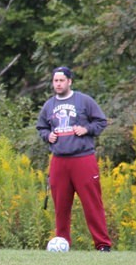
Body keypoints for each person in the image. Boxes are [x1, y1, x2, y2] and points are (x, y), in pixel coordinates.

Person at [36, 66, 113, 251]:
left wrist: (87, 129)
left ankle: (102, 245)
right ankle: (62, 243)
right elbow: (41, 127)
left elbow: (101, 122)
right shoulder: (49, 105)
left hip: (83, 158)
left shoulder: (84, 101)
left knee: (92, 203)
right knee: (61, 206)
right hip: (59, 160)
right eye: (55, 81)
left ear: (69, 81)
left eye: (62, 80)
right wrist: (48, 136)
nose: (58, 84)